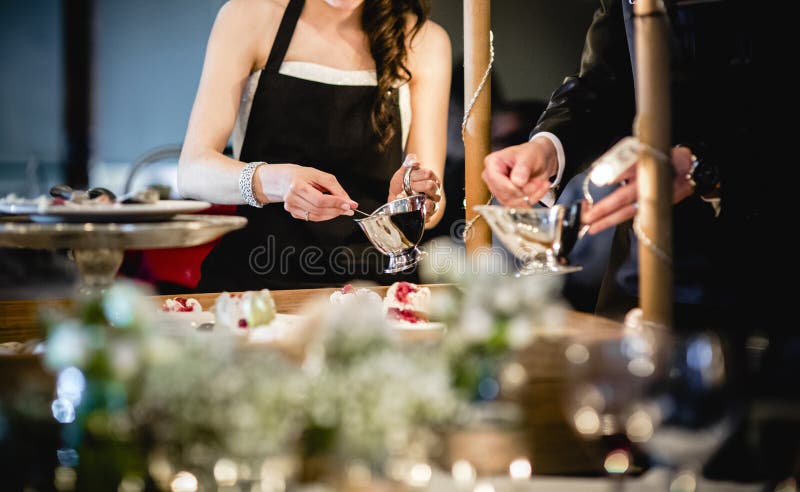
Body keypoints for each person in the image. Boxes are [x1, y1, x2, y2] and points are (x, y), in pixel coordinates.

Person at [482, 0, 766, 330]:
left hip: (758, 258)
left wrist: (702, 165)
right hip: (639, 260)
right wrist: (547, 147)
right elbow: (604, 82)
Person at [178, 0, 450, 291]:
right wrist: (275, 181)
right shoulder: (249, 16)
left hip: (373, 291)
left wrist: (412, 201)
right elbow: (192, 171)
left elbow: (436, 202)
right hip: (259, 281)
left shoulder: (424, 41)